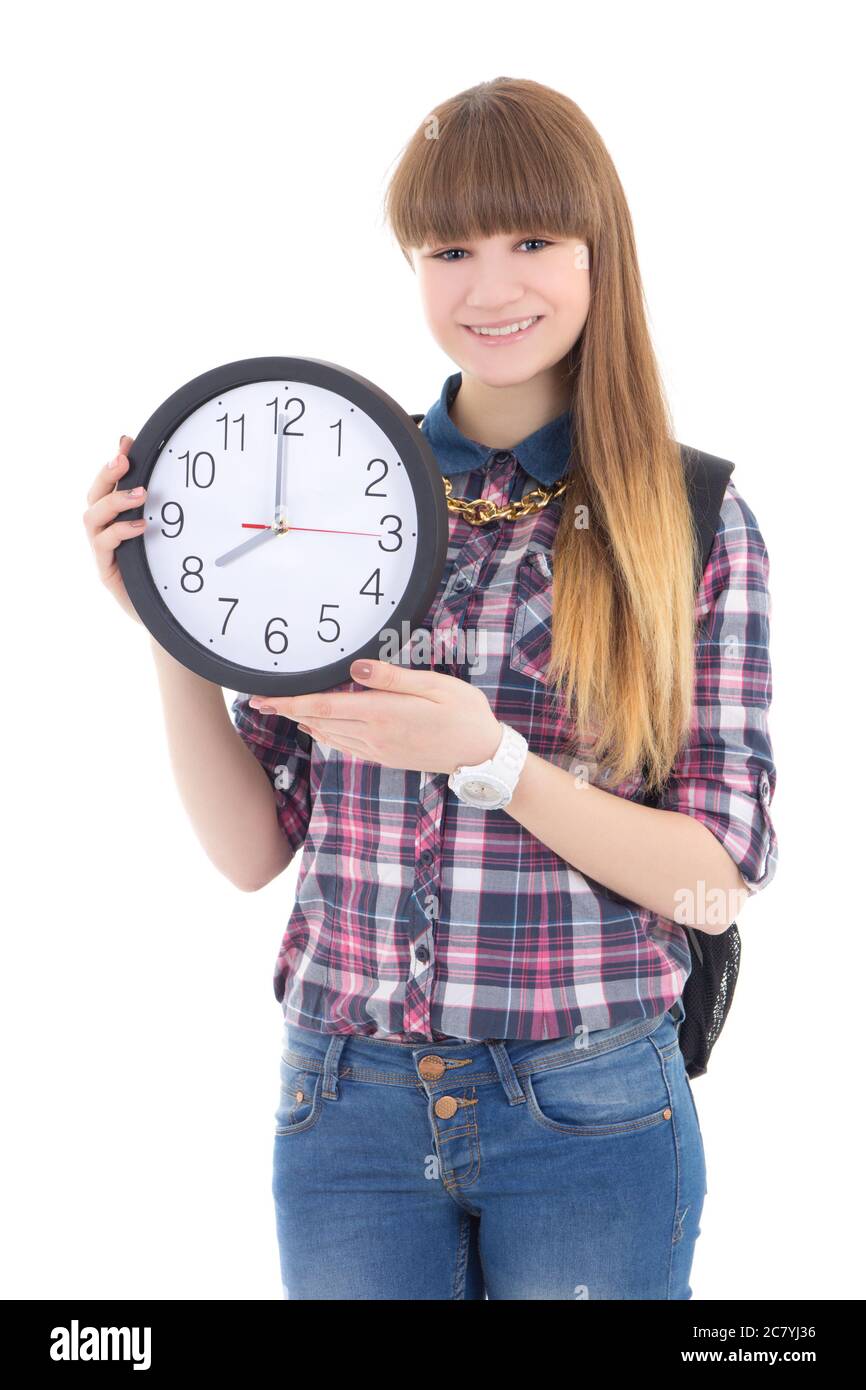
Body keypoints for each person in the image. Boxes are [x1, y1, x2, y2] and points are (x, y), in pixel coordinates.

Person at [84, 76, 778, 1301]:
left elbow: (710, 884)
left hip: (588, 1105)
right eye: (448, 247)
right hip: (343, 1102)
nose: (490, 285)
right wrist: (170, 622)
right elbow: (253, 851)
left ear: (596, 251)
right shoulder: (339, 491)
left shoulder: (691, 518)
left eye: (530, 241)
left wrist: (494, 761)